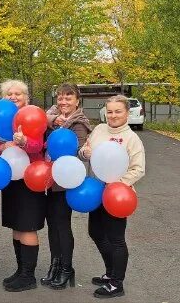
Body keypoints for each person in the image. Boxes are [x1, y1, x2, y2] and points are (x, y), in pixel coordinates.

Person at [79, 94, 145, 299]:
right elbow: (85, 151)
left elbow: (138, 169)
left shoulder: (131, 138)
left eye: (118, 111)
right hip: (96, 191)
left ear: (126, 113)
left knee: (116, 239)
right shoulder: (99, 130)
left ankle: (117, 283)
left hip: (117, 195)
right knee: (96, 232)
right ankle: (110, 273)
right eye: (109, 111)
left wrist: (117, 185)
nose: (113, 115)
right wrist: (85, 153)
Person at [0, 79, 46, 292]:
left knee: (27, 226)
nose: (14, 97)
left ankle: (28, 276)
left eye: (18, 94)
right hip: (11, 180)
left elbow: (39, 147)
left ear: (26, 98)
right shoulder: (2, 118)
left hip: (30, 179)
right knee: (16, 226)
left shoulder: (33, 116)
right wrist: (4, 145)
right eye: (9, 94)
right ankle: (20, 270)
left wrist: (23, 141)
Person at [42, 83, 92, 290]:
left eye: (68, 98)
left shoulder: (79, 124)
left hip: (66, 181)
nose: (63, 102)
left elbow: (79, 151)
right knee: (52, 226)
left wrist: (85, 153)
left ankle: (66, 268)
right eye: (60, 98)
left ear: (77, 101)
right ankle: (55, 264)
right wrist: (53, 120)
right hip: (49, 180)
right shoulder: (51, 117)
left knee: (62, 225)